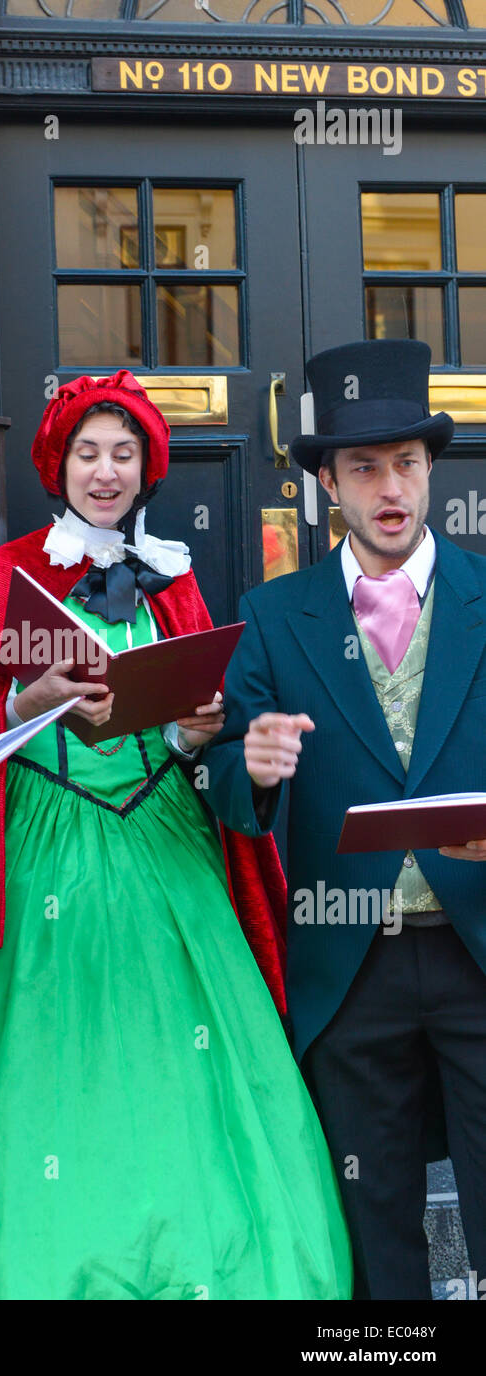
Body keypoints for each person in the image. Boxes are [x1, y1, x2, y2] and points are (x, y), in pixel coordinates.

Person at [0, 370, 351, 1300]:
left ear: (148, 466)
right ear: (57, 464)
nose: (105, 472)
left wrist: (196, 733)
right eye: (87, 453)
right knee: (48, 1069)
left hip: (165, 838)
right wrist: (28, 701)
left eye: (123, 453)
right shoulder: (4, 576)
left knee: (196, 1075)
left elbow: (202, 738)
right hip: (40, 847)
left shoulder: (175, 581)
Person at [201, 337, 486, 1300]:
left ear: (429, 470)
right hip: (346, 964)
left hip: (478, 949)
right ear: (329, 482)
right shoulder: (274, 615)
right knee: (373, 1229)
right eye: (363, 466)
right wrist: (256, 767)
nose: (389, 485)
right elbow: (225, 793)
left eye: (405, 462)